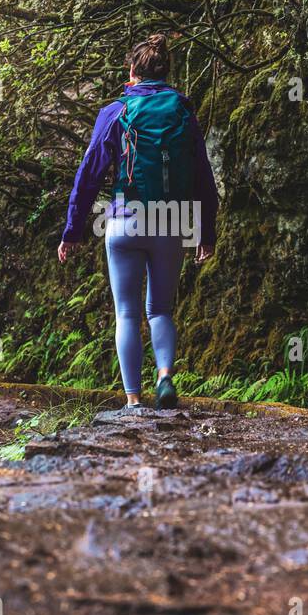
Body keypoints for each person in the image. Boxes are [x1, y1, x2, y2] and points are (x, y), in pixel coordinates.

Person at [57, 33, 218, 410]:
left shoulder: (115, 112)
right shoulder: (182, 110)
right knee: (160, 309)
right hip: (171, 222)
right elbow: (203, 176)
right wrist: (204, 232)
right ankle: (164, 376)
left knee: (127, 312)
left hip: (125, 220)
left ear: (131, 73)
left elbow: (88, 175)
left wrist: (73, 231)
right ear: (166, 73)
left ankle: (132, 401)